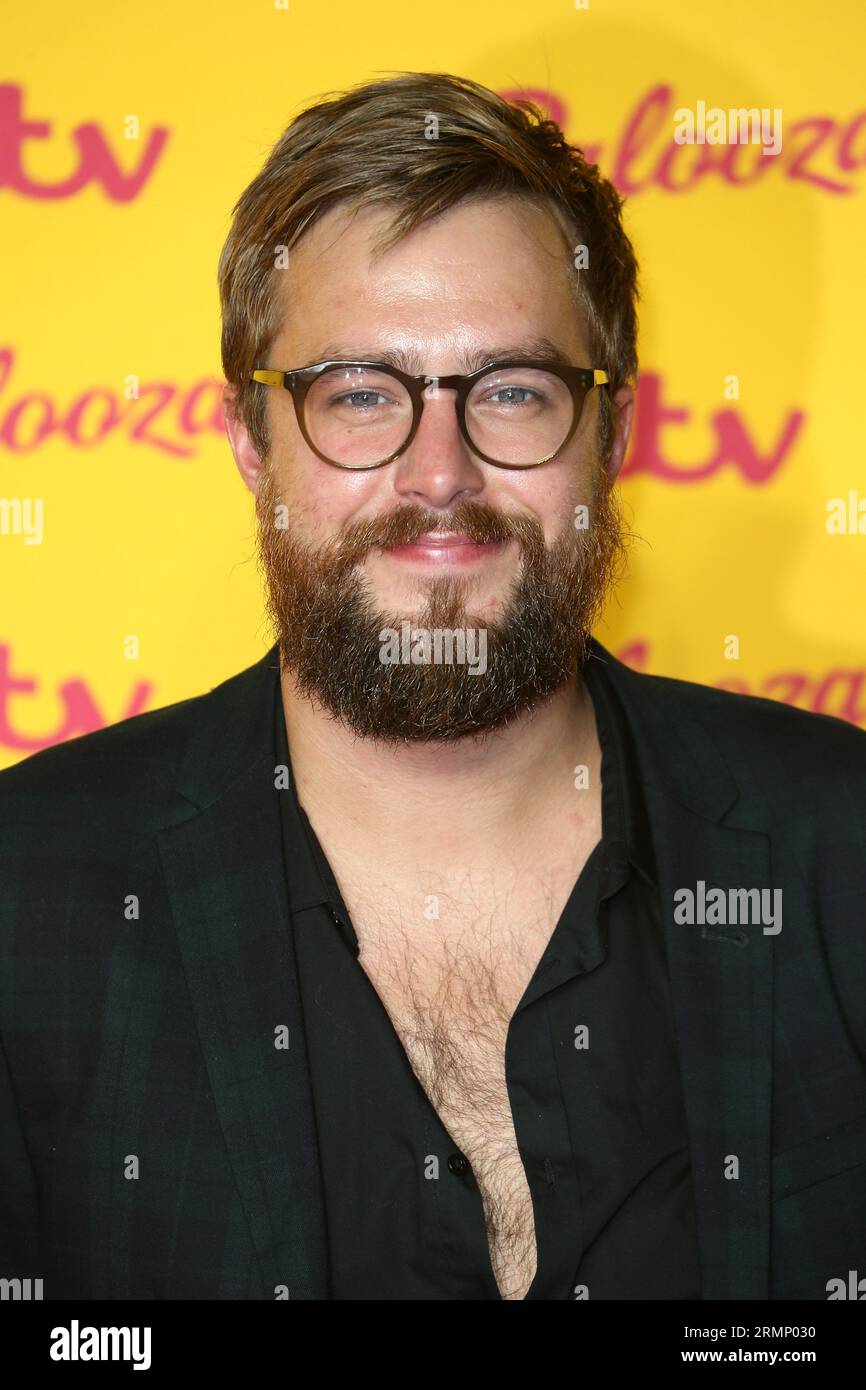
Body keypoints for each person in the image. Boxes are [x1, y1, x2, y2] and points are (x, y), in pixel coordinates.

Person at [1, 71, 864, 1302]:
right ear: (251, 441)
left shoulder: (839, 846)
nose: (439, 474)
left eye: (512, 390)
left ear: (610, 438)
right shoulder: (28, 893)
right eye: (359, 395)